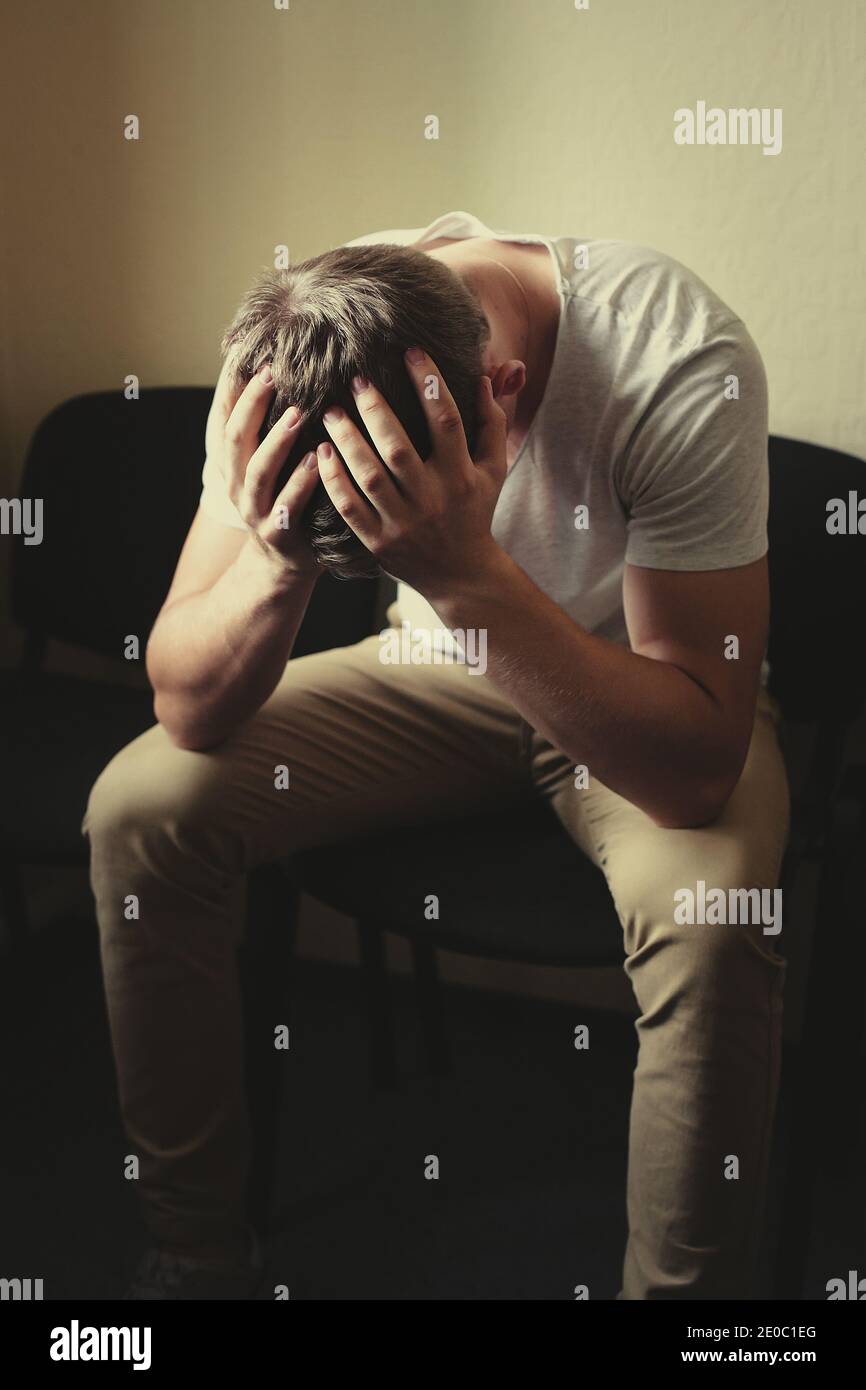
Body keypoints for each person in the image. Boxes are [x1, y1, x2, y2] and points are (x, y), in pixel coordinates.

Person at [82, 210, 789, 1300]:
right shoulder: (292, 359)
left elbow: (694, 765)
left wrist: (462, 575)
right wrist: (275, 561)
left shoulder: (674, 358)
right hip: (429, 673)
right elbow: (185, 697)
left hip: (637, 691)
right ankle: (198, 1253)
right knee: (141, 807)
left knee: (712, 915)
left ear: (499, 394)